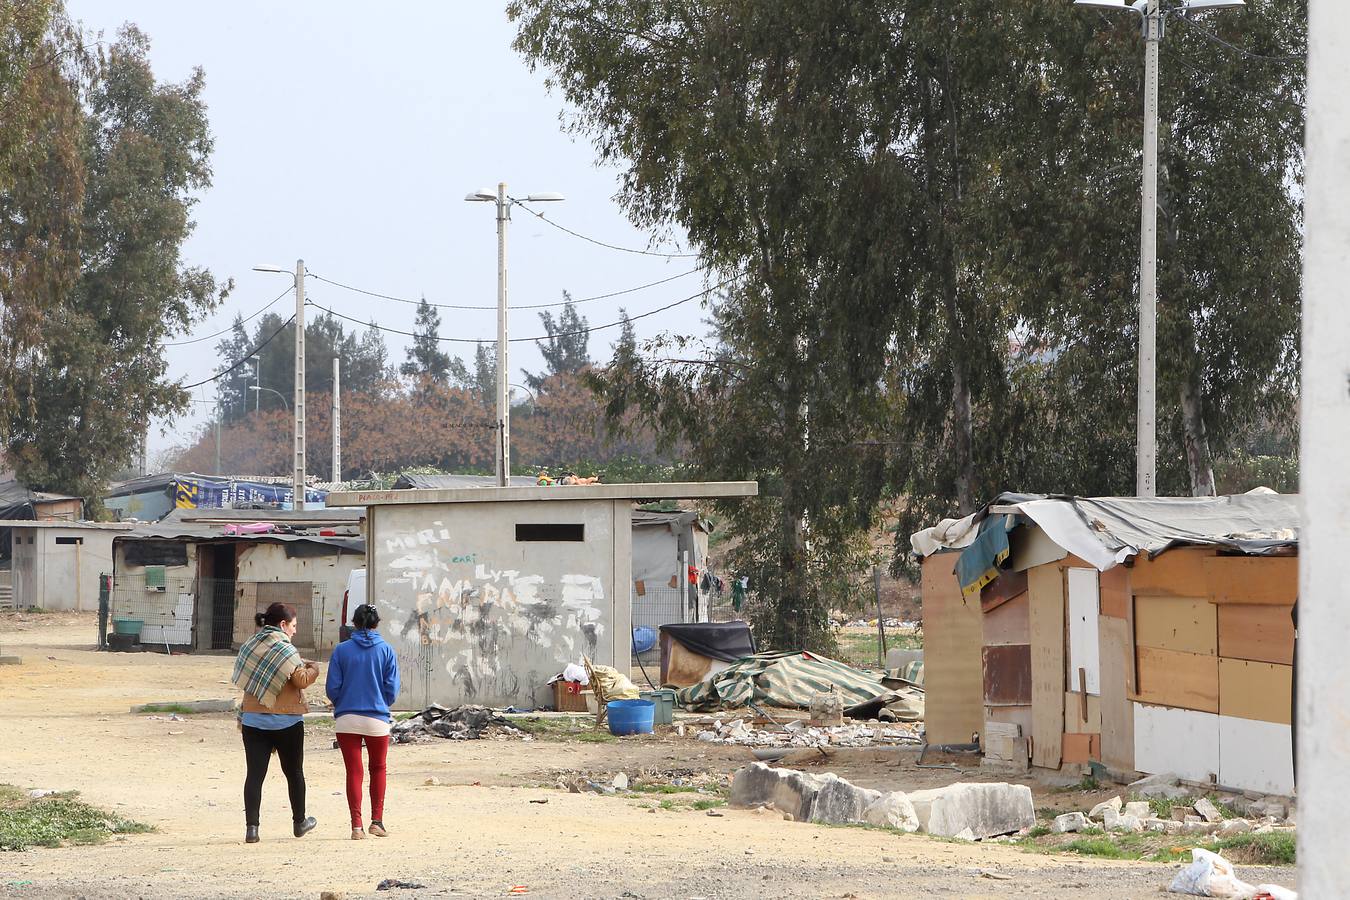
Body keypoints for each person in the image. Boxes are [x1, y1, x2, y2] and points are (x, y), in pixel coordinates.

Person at [231, 602, 319, 844]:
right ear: (283, 625)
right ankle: (299, 822)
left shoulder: (250, 644)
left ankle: (252, 829)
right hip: (287, 722)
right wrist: (314, 669)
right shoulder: (285, 648)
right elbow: (300, 680)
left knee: (255, 775)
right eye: (293, 626)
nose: (294, 631)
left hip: (253, 720)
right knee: (294, 773)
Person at [326, 603, 400, 840]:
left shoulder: (341, 650)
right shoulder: (387, 650)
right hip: (377, 719)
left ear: (354, 624)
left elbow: (332, 688)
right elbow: (392, 690)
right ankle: (376, 822)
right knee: (378, 768)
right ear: (377, 624)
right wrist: (380, 702)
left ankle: (356, 826)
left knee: (354, 771)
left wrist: (342, 702)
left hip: (346, 719)